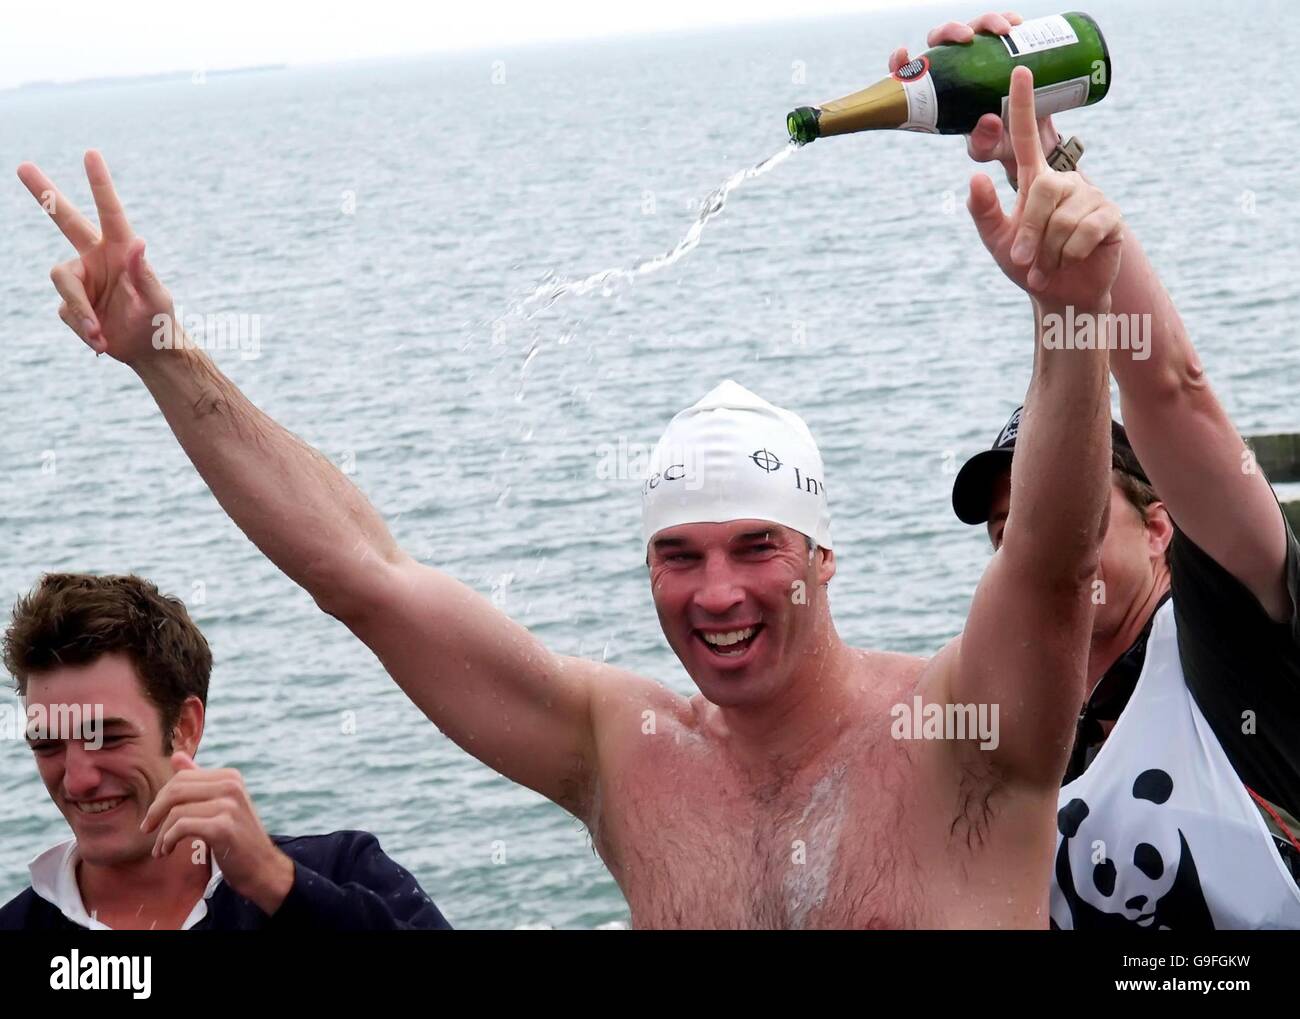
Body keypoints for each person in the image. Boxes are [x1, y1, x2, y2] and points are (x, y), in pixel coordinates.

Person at [16, 69, 1123, 928]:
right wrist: (165, 354)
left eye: (755, 545)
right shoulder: (622, 748)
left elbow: (1053, 554)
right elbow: (362, 575)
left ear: (821, 557)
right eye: (677, 554)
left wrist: (1068, 320)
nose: (718, 589)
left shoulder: (965, 729)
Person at [925, 11, 1300, 928]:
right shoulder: (1001, 721)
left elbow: (1173, 392)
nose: (1037, 540)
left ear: (1163, 524)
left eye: (1073, 515)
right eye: (1008, 532)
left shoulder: (1236, 620)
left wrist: (1046, 177)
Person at [0, 573, 451, 930]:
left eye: (108, 737)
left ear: (184, 728)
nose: (78, 779)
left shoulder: (343, 871)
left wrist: (277, 885)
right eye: (47, 744)